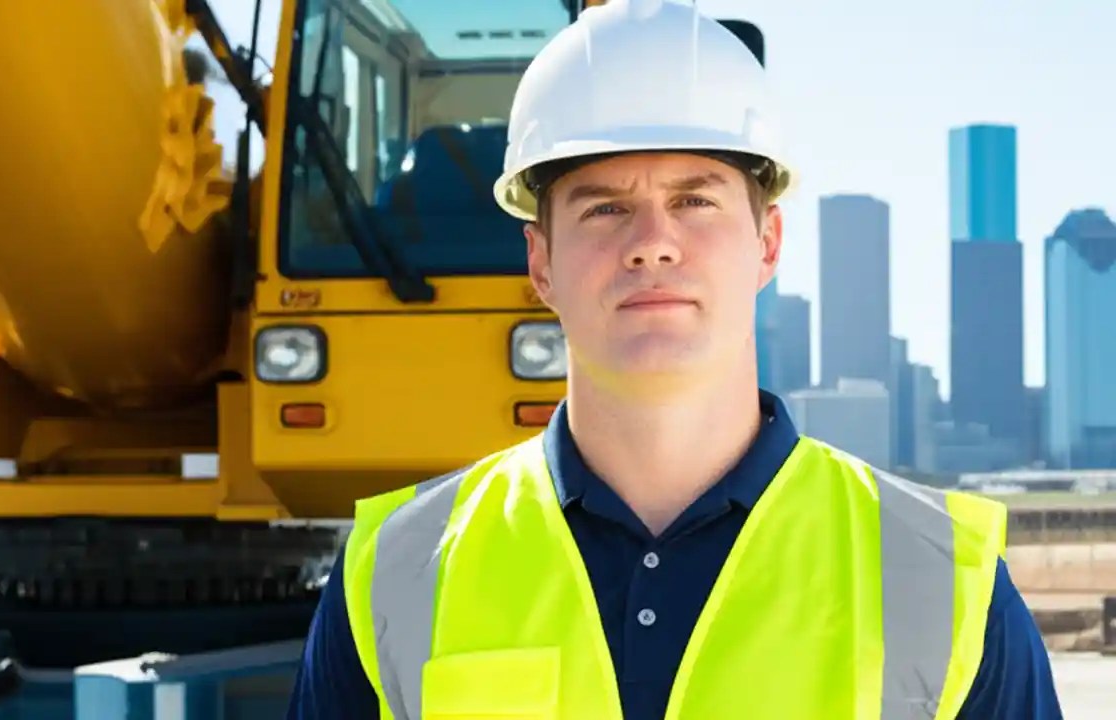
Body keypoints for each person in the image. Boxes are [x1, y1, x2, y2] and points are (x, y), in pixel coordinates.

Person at [287, 1, 1063, 717]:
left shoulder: (942, 585)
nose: (652, 242)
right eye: (605, 207)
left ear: (768, 243)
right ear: (541, 262)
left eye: (695, 200)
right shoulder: (394, 577)